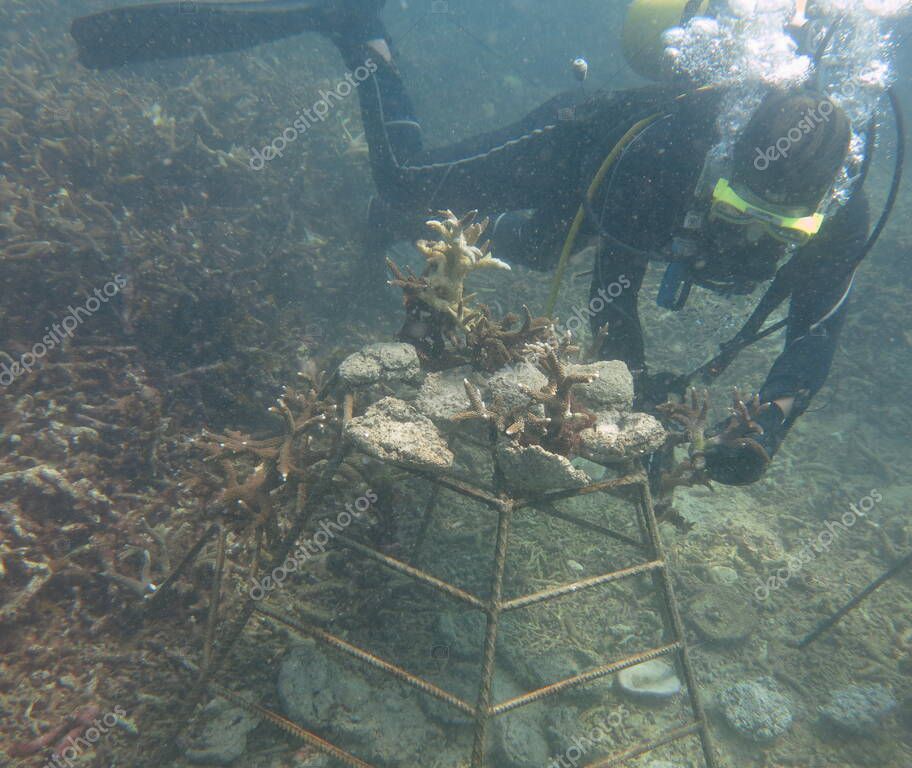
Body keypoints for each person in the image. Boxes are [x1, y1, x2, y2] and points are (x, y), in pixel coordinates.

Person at [72, 0, 870, 486]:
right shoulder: (668, 155)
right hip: (582, 153)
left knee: (532, 249)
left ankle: (431, 233)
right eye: (737, 208)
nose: (748, 236)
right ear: (723, 166)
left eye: (780, 231)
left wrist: (766, 428)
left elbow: (816, 334)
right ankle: (356, 31)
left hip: (615, 208)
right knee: (405, 181)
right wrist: (629, 389)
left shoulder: (844, 214)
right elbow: (617, 283)